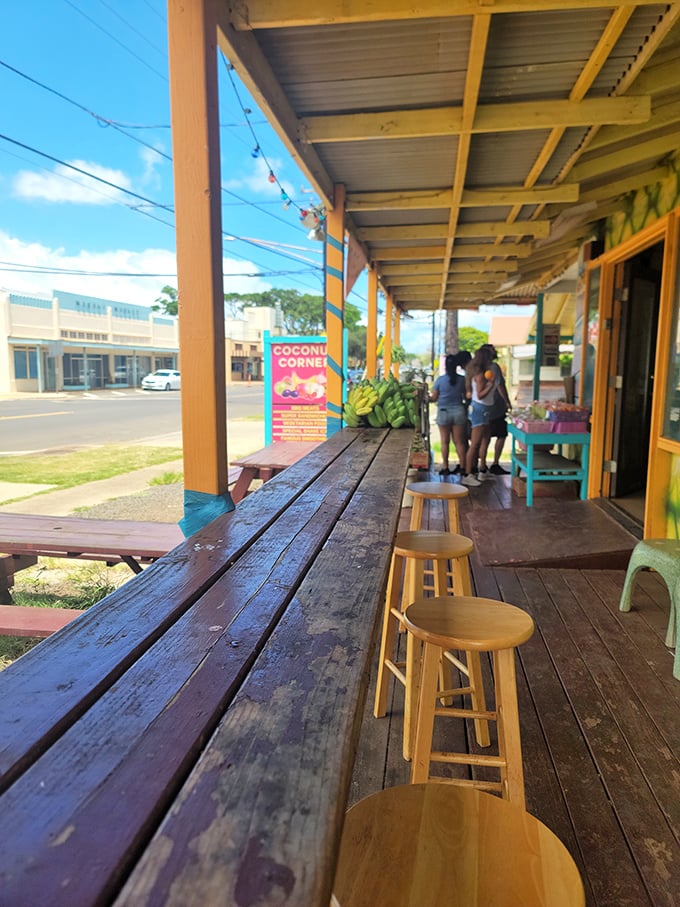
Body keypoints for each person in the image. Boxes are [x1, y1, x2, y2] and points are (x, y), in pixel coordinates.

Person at [429, 352, 469, 475]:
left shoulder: (440, 380)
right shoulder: (462, 379)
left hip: (443, 411)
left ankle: (445, 467)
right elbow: (467, 396)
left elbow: (434, 398)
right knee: (459, 442)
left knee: (444, 441)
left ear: (445, 366)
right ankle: (463, 467)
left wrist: (425, 397)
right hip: (459, 411)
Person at [462, 346, 496, 487]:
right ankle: (468, 474)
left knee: (484, 441)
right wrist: (491, 385)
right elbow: (481, 394)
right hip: (480, 409)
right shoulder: (481, 376)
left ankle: (481, 470)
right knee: (475, 443)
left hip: (484, 409)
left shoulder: (477, 373)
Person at [478, 344, 512, 476]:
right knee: (501, 434)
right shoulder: (494, 367)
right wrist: (507, 402)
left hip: (482, 407)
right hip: (496, 406)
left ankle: (482, 465)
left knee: (484, 437)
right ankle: (495, 463)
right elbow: (500, 386)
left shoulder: (478, 369)